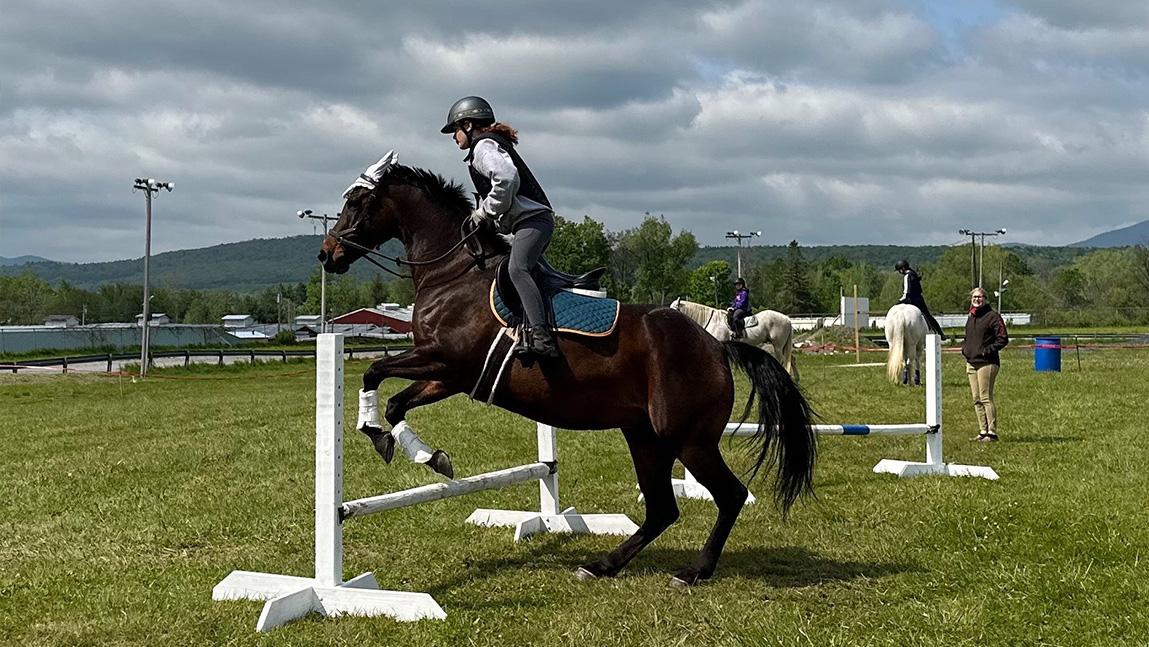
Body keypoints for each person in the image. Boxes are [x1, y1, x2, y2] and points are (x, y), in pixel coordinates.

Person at [441, 96, 558, 359]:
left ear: (469, 125)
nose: (453, 137)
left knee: (518, 269)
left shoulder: (483, 146)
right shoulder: (484, 146)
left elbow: (506, 178)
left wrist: (484, 213)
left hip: (533, 222)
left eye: (455, 130)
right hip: (529, 223)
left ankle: (542, 337)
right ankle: (526, 328)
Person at [961, 287, 1009, 442]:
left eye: (980, 297)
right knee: (976, 398)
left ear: (986, 299)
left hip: (987, 363)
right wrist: (965, 349)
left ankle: (992, 432)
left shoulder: (993, 317)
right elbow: (969, 337)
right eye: (974, 297)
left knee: (985, 397)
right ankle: (982, 430)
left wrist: (987, 351)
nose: (977, 299)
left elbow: (1002, 338)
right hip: (971, 362)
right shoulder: (971, 317)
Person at [895, 259, 946, 340]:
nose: (899, 272)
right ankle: (940, 333)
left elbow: (906, 292)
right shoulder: (913, 274)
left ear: (903, 268)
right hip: (918, 298)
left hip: (911, 300)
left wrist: (899, 302)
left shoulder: (907, 276)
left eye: (899, 270)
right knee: (928, 315)